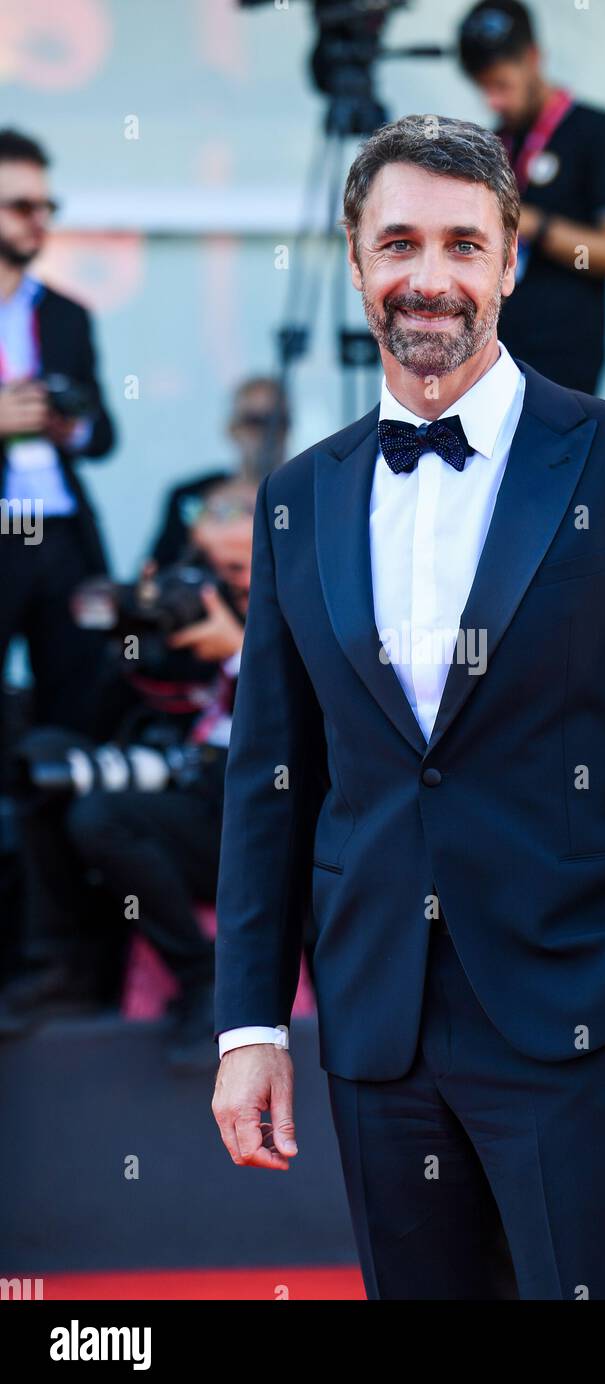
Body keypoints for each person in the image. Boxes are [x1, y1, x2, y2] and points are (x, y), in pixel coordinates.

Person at [211, 114, 605, 1301]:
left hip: (583, 1017)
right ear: (354, 260)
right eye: (397, 242)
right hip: (374, 1029)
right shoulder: (298, 496)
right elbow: (270, 773)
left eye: (463, 244)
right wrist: (249, 1024)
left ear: (510, 262)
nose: (429, 277)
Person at [0, 483, 254, 1071]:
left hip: (265, 824)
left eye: (239, 566)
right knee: (45, 763)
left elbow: (322, 718)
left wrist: (241, 650)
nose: (223, 582)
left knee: (103, 816)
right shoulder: (206, 615)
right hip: (191, 785)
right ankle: (61, 965)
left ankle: (204, 979)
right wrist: (135, 636)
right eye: (207, 566)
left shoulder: (311, 603)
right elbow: (145, 708)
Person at [457, 0, 605, 394]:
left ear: (534, 58)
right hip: (490, 367)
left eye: (501, 85)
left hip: (564, 372)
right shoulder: (493, 144)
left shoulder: (600, 134)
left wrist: (530, 224)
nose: (493, 101)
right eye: (483, 89)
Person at [0, 128, 116, 739]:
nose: (39, 221)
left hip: (62, 529)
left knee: (76, 696)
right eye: (22, 206)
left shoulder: (66, 313)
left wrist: (71, 427)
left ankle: (61, 832)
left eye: (47, 207)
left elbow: (103, 436)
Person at [147, 375, 289, 570]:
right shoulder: (192, 496)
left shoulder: (310, 499)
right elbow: (159, 574)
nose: (269, 434)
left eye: (279, 422)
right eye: (256, 422)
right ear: (232, 429)